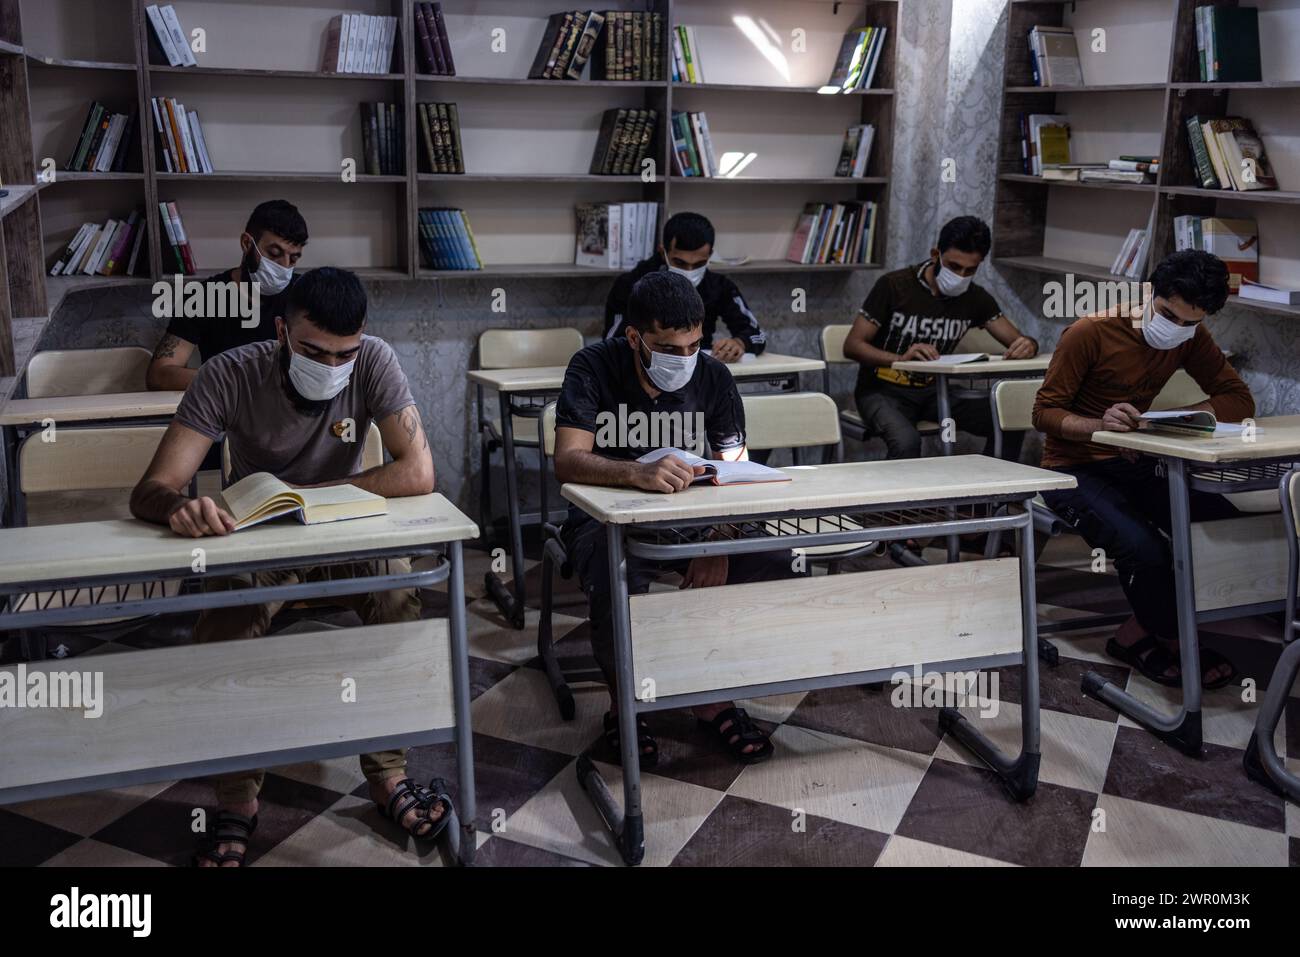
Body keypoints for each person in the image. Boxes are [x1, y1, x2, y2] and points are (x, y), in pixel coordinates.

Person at [130, 267, 442, 866]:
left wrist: (321, 494)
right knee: (225, 610)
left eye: (343, 354)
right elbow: (152, 489)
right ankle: (238, 798)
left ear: (363, 339)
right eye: (312, 351)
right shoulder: (231, 373)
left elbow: (419, 472)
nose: (330, 367)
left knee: (400, 591)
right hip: (261, 539)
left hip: (340, 530)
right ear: (281, 332)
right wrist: (180, 508)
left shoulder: (375, 360)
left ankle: (387, 774)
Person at [556, 270, 798, 767]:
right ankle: (626, 707)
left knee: (776, 557)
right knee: (613, 573)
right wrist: (633, 473)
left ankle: (712, 697)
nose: (685, 359)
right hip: (608, 518)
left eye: (693, 345)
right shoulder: (593, 366)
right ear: (634, 337)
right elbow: (568, 458)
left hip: (700, 519)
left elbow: (736, 470)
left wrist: (718, 541)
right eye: (669, 348)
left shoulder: (713, 377)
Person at [1033, 249, 1254, 689]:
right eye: (1170, 315)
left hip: (1133, 460)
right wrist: (1100, 425)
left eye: (1192, 323)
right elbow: (1044, 413)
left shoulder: (1190, 337)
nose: (1179, 330)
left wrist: (1170, 420)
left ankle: (1140, 629)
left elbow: (1237, 399)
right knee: (1145, 548)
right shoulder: (1090, 332)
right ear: (1151, 293)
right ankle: (1169, 639)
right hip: (1072, 468)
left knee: (1220, 523)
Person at [844, 215, 1038, 460]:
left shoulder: (975, 298)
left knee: (1008, 418)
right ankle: (898, 499)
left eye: (971, 269)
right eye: (954, 266)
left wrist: (1029, 344)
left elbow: (1018, 340)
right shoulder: (894, 286)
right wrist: (900, 358)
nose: (961, 275)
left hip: (936, 391)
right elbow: (852, 346)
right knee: (906, 442)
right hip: (882, 390)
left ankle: (990, 497)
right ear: (936, 254)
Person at [146, 199, 308, 391]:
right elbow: (159, 375)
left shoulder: (306, 293)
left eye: (293, 258)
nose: (284, 266)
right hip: (225, 406)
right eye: (274, 254)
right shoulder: (205, 297)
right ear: (247, 243)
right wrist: (234, 380)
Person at [603, 211, 765, 363]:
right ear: (662, 251)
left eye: (699, 264)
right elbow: (612, 343)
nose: (689, 271)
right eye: (680, 263)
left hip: (699, 370)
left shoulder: (719, 286)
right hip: (645, 369)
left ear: (710, 255)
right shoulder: (631, 284)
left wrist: (739, 342)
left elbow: (757, 335)